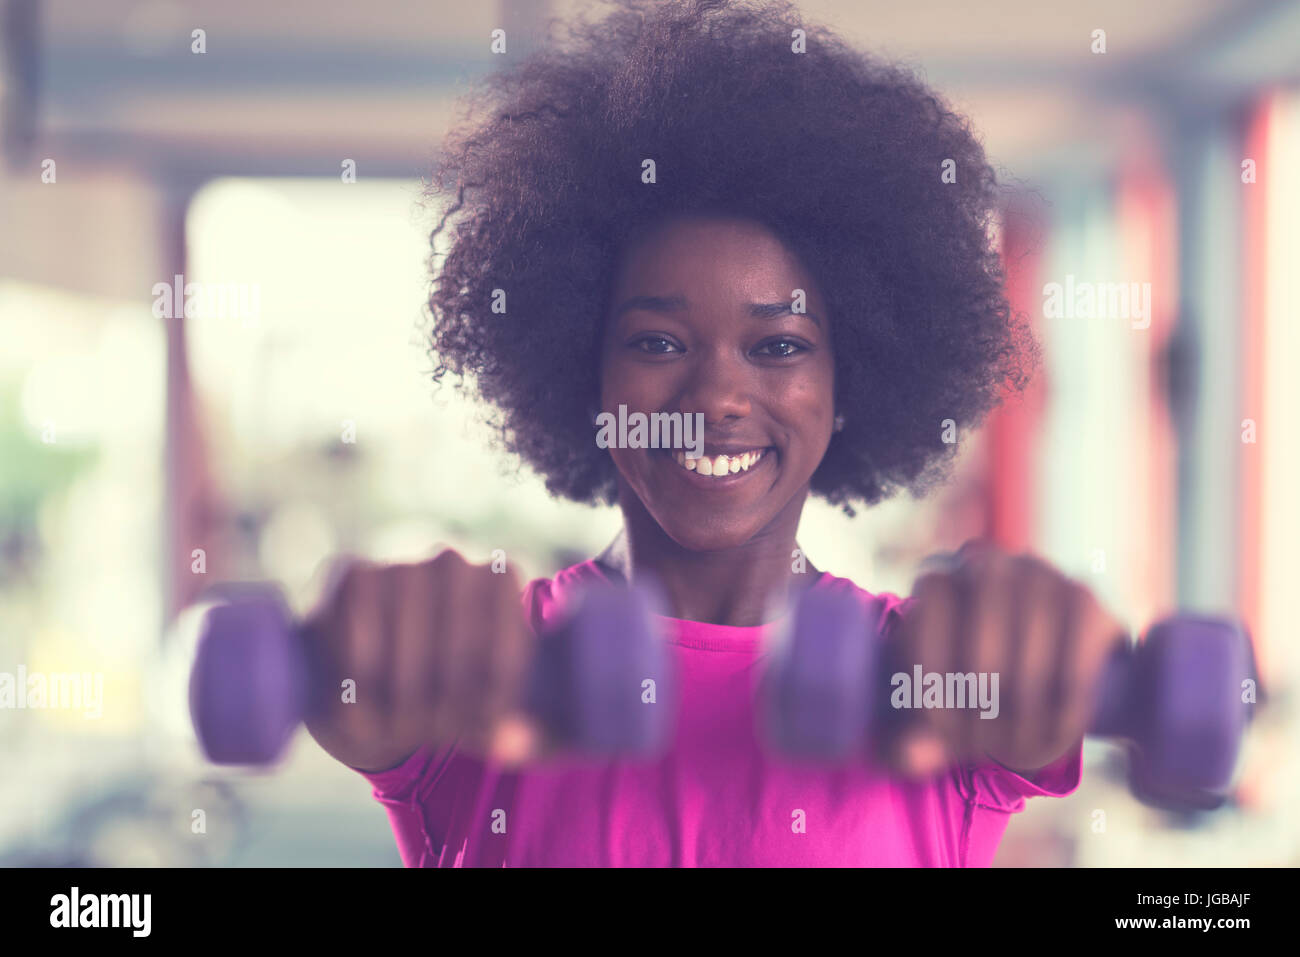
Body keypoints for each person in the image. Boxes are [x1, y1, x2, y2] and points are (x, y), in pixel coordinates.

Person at [303, 0, 1124, 866]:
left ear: (849, 385)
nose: (718, 395)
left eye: (778, 345)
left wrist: (1051, 652)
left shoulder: (933, 685)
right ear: (589, 375)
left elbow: (1042, 718)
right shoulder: (477, 677)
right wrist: (350, 648)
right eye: (658, 342)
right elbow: (347, 704)